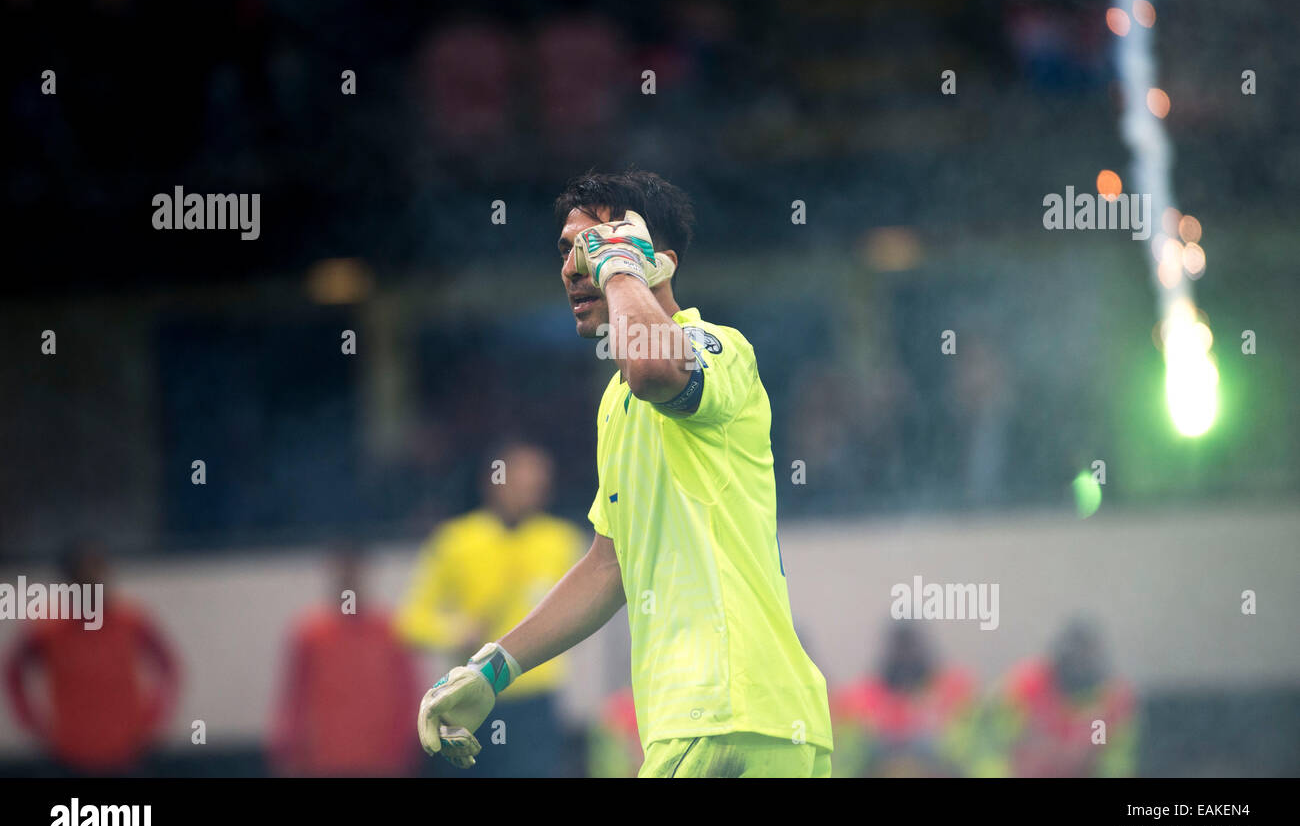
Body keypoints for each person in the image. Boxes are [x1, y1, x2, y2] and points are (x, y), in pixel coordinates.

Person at [414, 169, 833, 777]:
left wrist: (622, 270)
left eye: (596, 246)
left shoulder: (717, 345)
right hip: (704, 725)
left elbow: (656, 370)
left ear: (656, 264)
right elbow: (610, 566)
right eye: (566, 251)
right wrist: (493, 667)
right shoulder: (617, 402)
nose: (573, 268)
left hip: (732, 717)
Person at [397, 442, 582, 777]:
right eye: (523, 484)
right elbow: (413, 621)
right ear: (493, 482)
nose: (531, 494)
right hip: (469, 697)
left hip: (534, 698)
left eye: (539, 486)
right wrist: (454, 631)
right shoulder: (456, 540)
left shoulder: (560, 541)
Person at [4, 542, 180, 775]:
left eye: (98, 578)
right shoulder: (46, 628)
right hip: (69, 755)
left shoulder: (131, 620)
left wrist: (152, 720)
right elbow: (13, 671)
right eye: (84, 580)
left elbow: (168, 666)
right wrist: (33, 723)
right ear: (69, 584)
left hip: (126, 752)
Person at [269, 548, 421, 777]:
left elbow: (408, 694)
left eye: (354, 574)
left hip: (380, 761)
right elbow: (294, 698)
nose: (349, 582)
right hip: (325, 761)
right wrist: (290, 752)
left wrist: (400, 752)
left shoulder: (389, 632)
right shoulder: (310, 634)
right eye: (343, 575)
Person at [973, 618, 1137, 777]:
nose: (1078, 667)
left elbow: (1115, 764)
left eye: (1085, 662)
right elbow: (988, 746)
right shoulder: (1025, 688)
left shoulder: (1113, 702)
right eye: (1073, 661)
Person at [830, 622, 977, 777]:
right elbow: (849, 760)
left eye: (911, 648)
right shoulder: (862, 698)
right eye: (900, 649)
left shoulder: (952, 689)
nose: (906, 656)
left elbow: (965, 754)